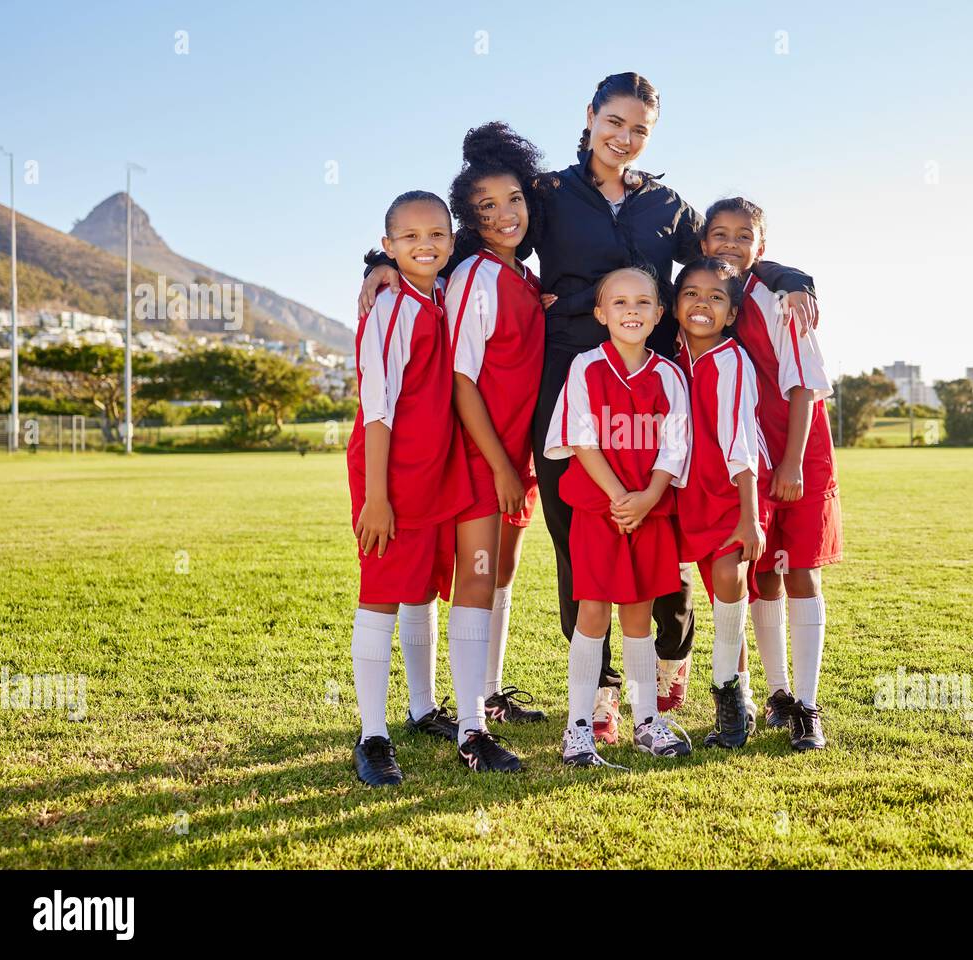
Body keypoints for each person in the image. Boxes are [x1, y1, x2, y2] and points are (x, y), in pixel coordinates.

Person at [360, 73, 820, 743]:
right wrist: (379, 262)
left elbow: (721, 264)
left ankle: (668, 663)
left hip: (657, 387)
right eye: (614, 121)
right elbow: (476, 235)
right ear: (591, 116)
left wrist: (790, 277)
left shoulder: (668, 203)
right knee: (581, 540)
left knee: (661, 529)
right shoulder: (548, 193)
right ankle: (600, 693)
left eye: (639, 128)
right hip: (569, 381)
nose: (623, 137)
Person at [700, 197, 840, 751]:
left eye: (742, 235)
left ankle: (806, 706)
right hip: (746, 461)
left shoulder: (782, 301)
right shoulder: (704, 300)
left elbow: (805, 384)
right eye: (719, 234)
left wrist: (790, 462)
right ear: (703, 242)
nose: (730, 244)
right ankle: (776, 694)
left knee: (800, 570)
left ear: (761, 247)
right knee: (762, 574)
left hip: (796, 455)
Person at [543, 267, 693, 766]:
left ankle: (646, 719)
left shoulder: (668, 374)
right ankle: (578, 726)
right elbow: (581, 439)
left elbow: (675, 447)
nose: (632, 310)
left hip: (649, 511)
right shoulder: (586, 366)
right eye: (620, 303)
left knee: (638, 617)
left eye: (643, 302)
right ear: (600, 313)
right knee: (592, 614)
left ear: (658, 314)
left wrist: (648, 497)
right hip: (597, 512)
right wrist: (618, 498)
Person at [348, 191, 471, 786]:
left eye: (438, 234)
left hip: (433, 469)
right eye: (411, 237)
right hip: (389, 474)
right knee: (383, 591)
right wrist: (377, 496)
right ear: (390, 244)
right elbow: (377, 409)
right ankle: (372, 734)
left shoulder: (441, 293)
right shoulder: (392, 304)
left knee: (422, 587)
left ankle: (422, 707)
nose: (426, 245)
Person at [442, 125, 549, 762]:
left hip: (519, 454)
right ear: (470, 219)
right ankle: (470, 731)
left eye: (513, 200)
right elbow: (461, 379)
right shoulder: (474, 275)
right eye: (487, 208)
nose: (505, 215)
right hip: (483, 454)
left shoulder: (523, 275)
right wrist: (500, 464)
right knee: (476, 578)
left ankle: (488, 692)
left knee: (502, 570)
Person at [672, 257, 767, 749]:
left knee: (729, 588)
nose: (702, 304)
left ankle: (730, 699)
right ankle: (741, 697)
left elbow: (740, 443)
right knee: (713, 592)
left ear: (731, 314)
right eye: (691, 293)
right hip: (688, 493)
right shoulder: (673, 355)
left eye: (715, 297)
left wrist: (750, 517)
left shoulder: (730, 360)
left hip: (733, 493)